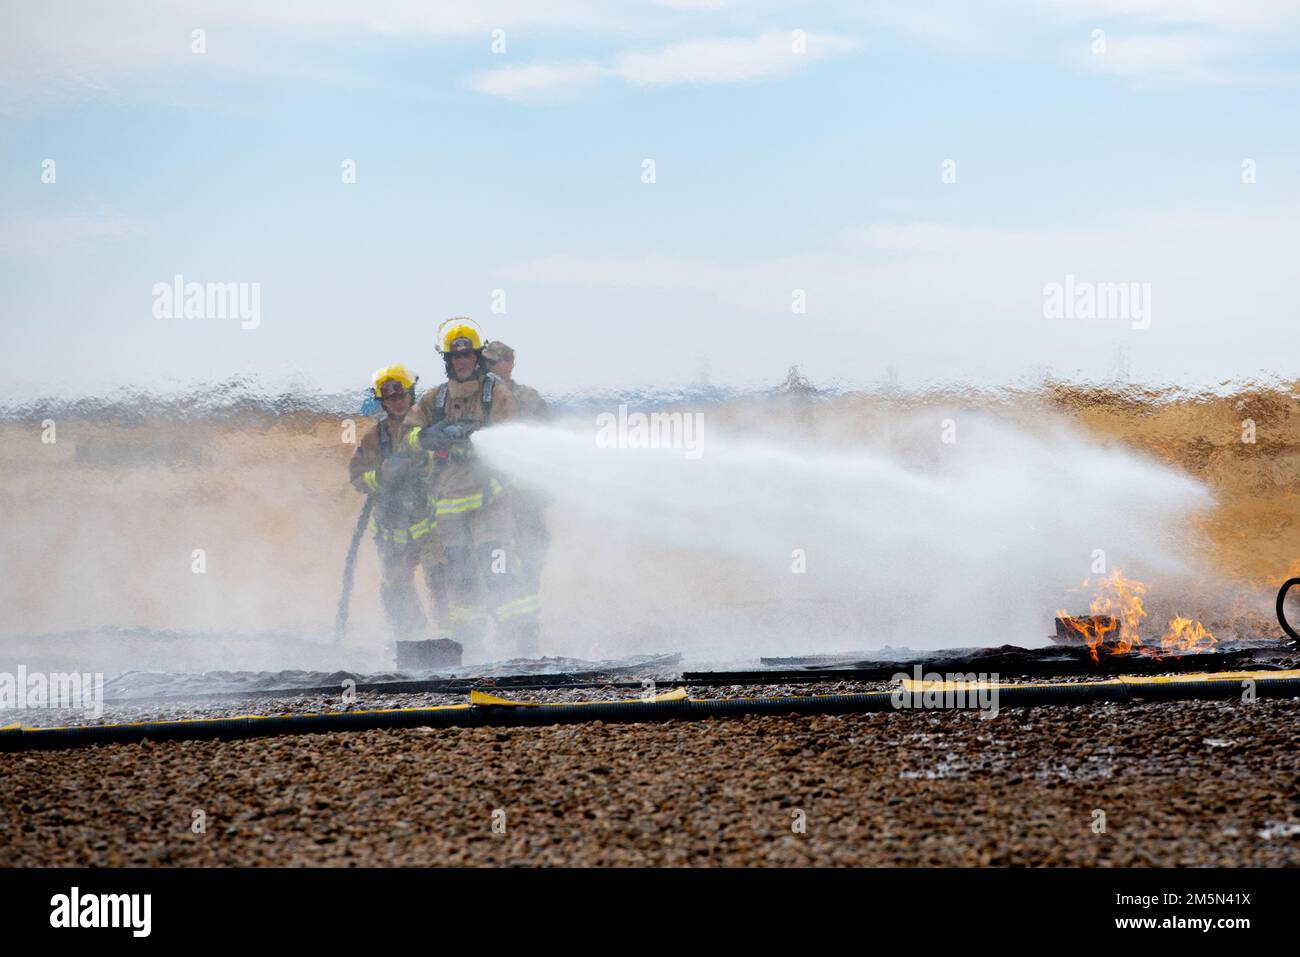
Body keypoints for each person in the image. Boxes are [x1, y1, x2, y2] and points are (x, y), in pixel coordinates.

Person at [404, 319, 540, 658]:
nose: (461, 360)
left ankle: (521, 641)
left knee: (496, 567)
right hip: (449, 501)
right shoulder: (436, 398)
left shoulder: (495, 393)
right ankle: (472, 644)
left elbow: (512, 437)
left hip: (490, 498)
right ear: (448, 359)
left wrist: (475, 447)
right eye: (455, 355)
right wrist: (426, 437)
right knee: (461, 576)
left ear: (476, 356)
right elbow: (409, 432)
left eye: (467, 354)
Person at [349, 365, 441, 642]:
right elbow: (357, 478)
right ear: (383, 402)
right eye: (390, 399)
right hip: (392, 529)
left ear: (411, 395)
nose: (397, 402)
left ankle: (456, 638)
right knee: (396, 588)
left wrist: (423, 467)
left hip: (431, 525)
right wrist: (383, 476)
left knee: (443, 579)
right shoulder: (374, 438)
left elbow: (446, 466)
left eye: (401, 396)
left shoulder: (429, 428)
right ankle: (409, 641)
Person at [481, 340, 551, 600]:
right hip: (488, 489)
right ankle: (500, 602)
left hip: (525, 488)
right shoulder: (478, 398)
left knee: (533, 544)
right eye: (485, 361)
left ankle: (526, 595)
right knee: (492, 550)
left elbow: (548, 440)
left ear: (509, 364)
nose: (487, 366)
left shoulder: (528, 398)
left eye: (494, 361)